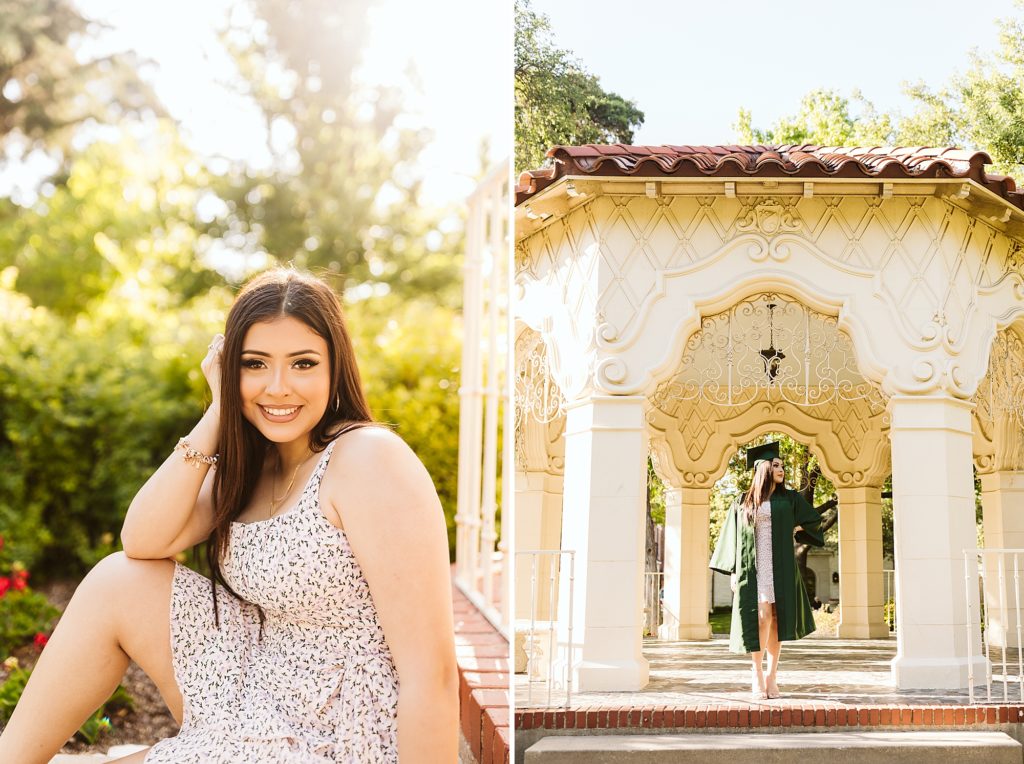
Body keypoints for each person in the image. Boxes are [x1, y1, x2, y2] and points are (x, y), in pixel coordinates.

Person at [0, 268, 459, 763]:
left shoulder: (369, 459)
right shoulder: (257, 465)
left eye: (303, 364)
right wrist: (219, 411)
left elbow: (431, 674)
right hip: (259, 684)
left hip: (338, 731)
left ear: (336, 367)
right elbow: (142, 541)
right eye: (254, 364)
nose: (278, 387)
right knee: (119, 580)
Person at [709, 441, 824, 701]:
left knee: (777, 618)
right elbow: (733, 537)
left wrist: (797, 529)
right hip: (755, 568)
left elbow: (813, 521)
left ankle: (772, 675)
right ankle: (757, 672)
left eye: (782, 465)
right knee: (762, 618)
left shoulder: (790, 499)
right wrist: (735, 571)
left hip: (780, 567)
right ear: (763, 468)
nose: (781, 469)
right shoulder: (743, 501)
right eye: (775, 465)